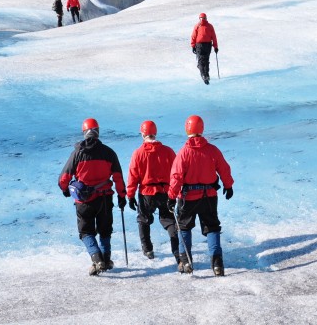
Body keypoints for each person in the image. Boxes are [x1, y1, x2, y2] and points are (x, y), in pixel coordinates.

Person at [58, 118, 128, 275]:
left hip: (84, 201)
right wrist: (122, 196)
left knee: (86, 232)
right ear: (98, 132)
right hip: (105, 199)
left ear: (84, 133)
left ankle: (97, 259)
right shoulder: (109, 153)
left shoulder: (77, 153)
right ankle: (106, 259)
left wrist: (65, 190)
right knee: (105, 230)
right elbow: (118, 177)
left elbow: (64, 178)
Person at [167, 114, 233, 276]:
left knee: (184, 227)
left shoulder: (183, 153)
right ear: (202, 128)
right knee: (212, 227)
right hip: (209, 196)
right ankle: (217, 263)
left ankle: (186, 262)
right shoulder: (212, 150)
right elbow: (224, 168)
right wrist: (228, 185)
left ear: (186, 129)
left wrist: (171, 196)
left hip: (188, 198)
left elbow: (176, 177)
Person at [126, 120, 180, 263]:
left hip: (146, 193)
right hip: (165, 192)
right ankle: (177, 251)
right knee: (169, 220)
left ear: (142, 134)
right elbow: (176, 173)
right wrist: (177, 192)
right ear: (155, 133)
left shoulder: (138, 153)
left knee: (143, 220)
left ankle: (148, 249)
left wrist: (130, 196)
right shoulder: (168, 151)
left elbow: (133, 176)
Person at [190, 13, 218, 84]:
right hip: (206, 45)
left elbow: (193, 36)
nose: (202, 19)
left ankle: (204, 74)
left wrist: (193, 46)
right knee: (205, 60)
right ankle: (206, 75)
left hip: (201, 45)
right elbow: (214, 37)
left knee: (202, 61)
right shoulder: (209, 26)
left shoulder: (198, 26)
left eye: (203, 18)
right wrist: (215, 46)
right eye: (202, 18)